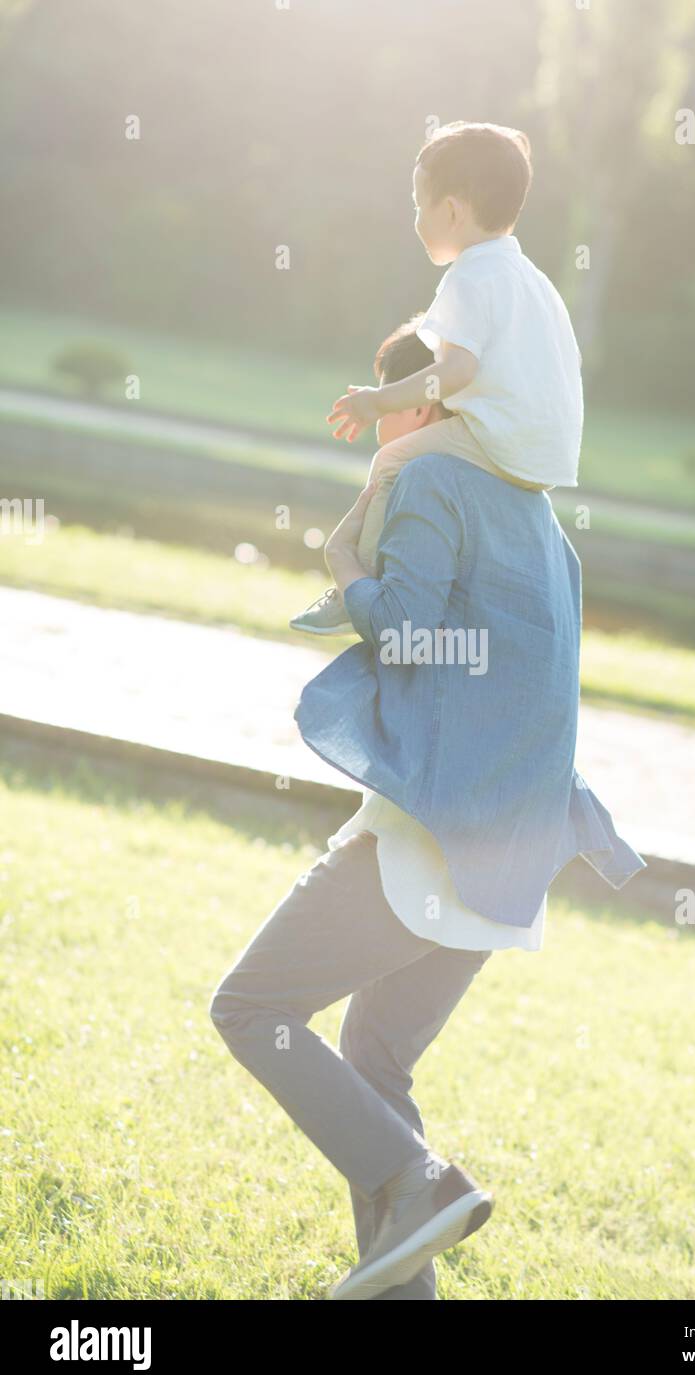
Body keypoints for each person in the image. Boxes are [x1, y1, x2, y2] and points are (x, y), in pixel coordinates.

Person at [209, 313, 645, 1300]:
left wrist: (343, 564)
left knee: (251, 1006)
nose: (374, 428)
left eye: (384, 405)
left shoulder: (429, 480)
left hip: (432, 837)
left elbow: (408, 633)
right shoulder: (539, 518)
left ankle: (419, 1178)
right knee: (374, 1060)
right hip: (516, 845)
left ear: (424, 403)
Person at [290, 119, 582, 635]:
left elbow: (455, 371)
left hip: (502, 443)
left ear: (451, 210)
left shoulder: (470, 274)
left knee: (391, 461)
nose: (416, 220)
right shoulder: (535, 282)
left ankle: (359, 588)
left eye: (418, 206)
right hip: (548, 457)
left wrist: (378, 402)